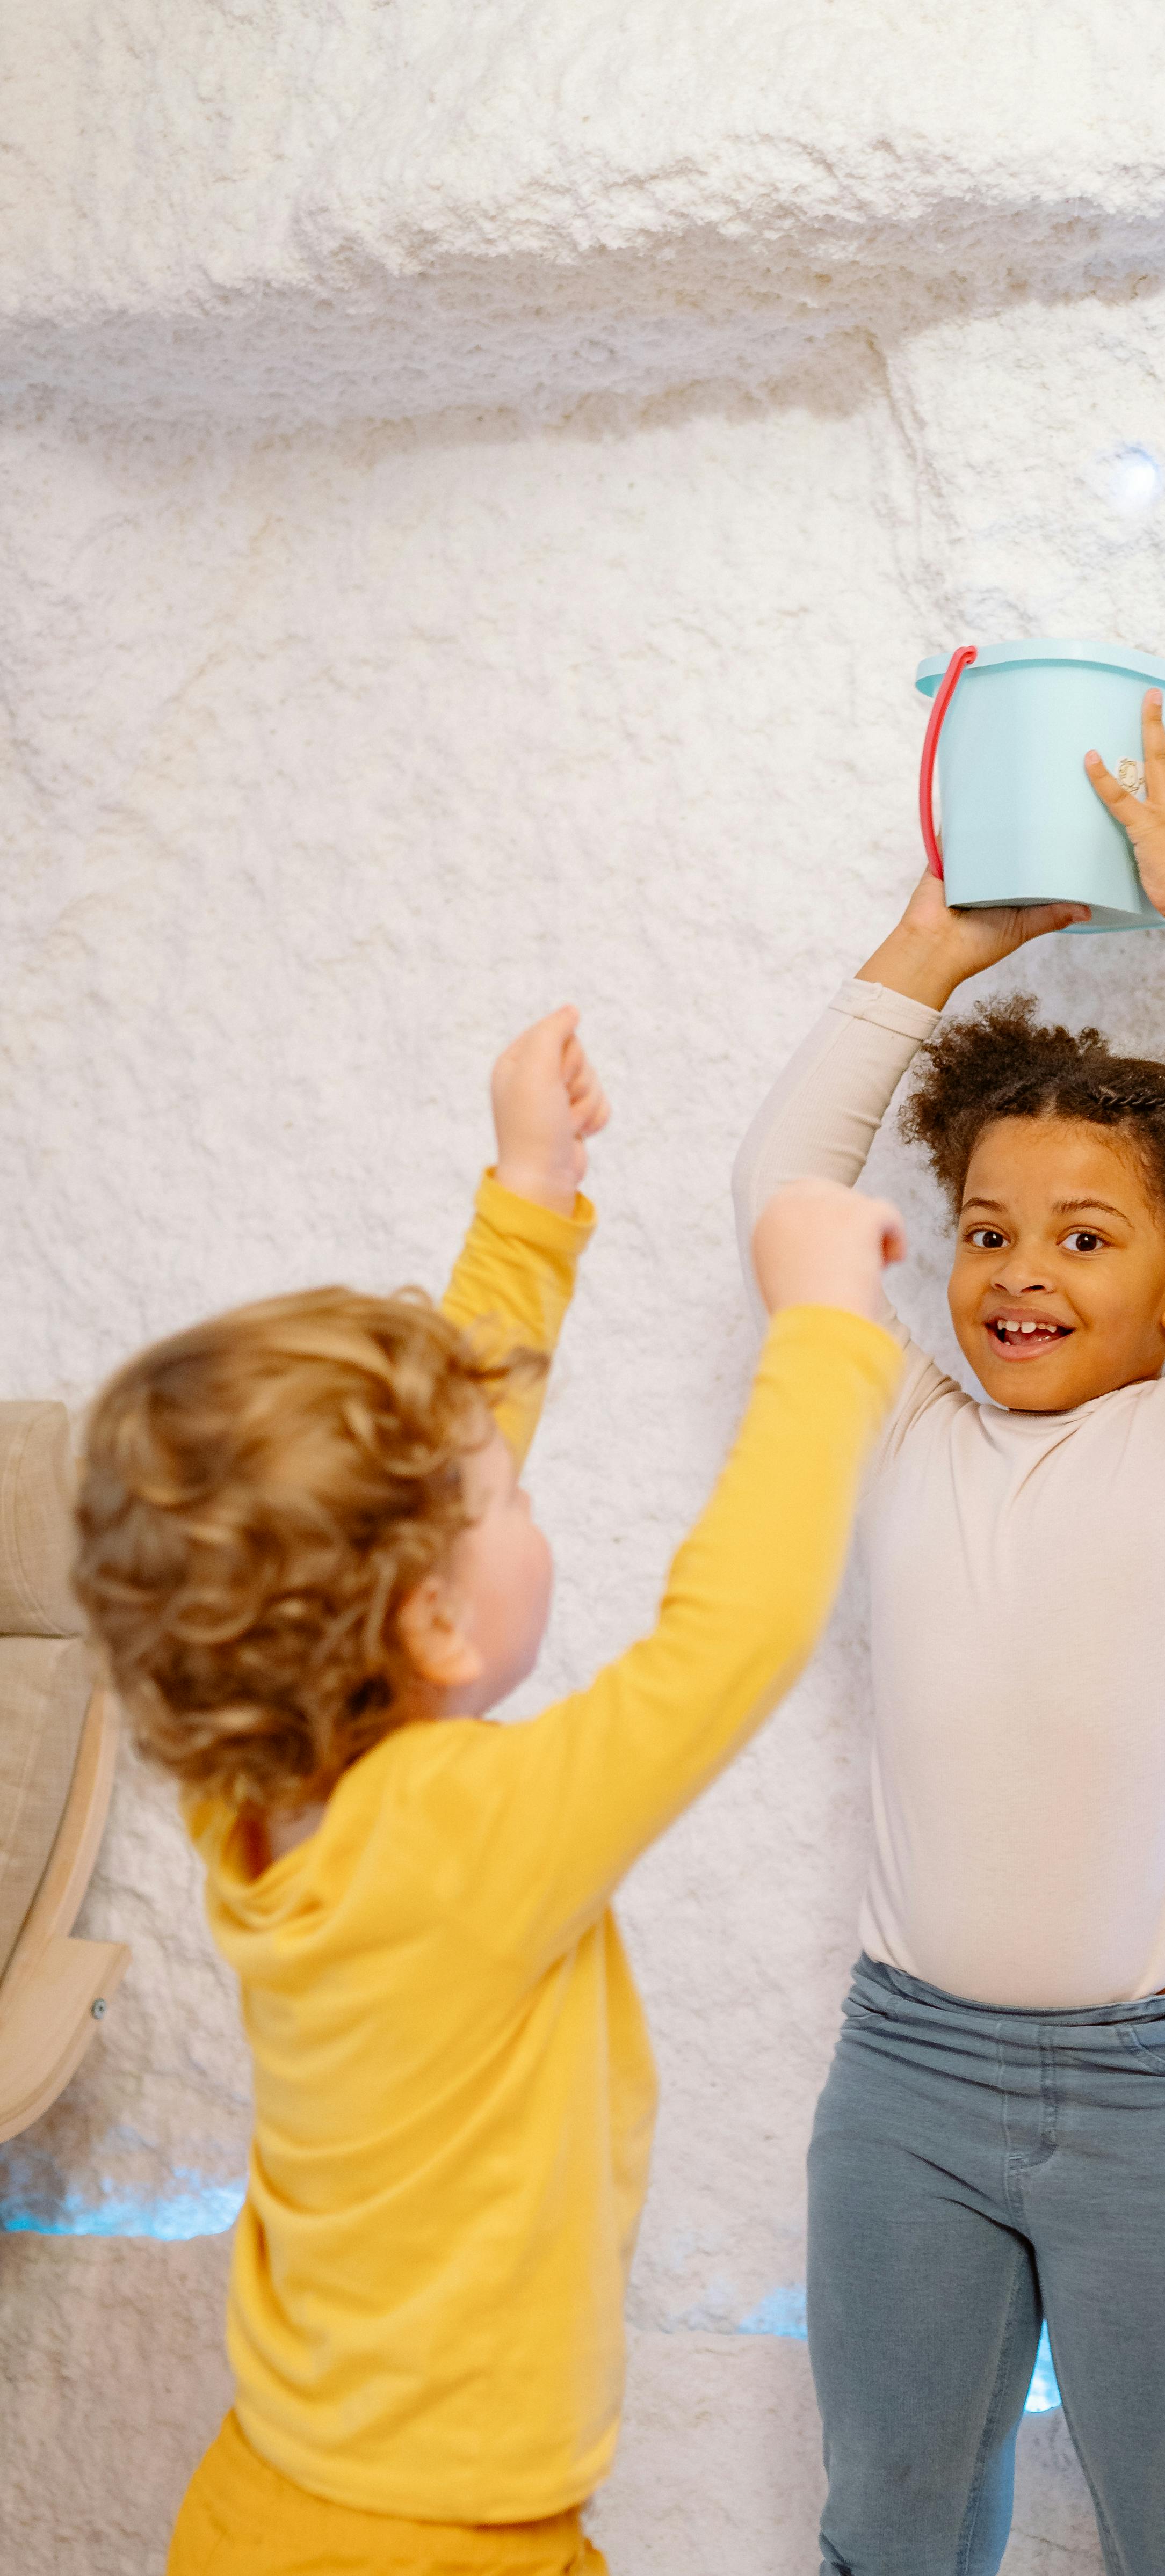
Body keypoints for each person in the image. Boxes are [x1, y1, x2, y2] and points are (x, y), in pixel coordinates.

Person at [74, 1003, 904, 2576]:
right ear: (435, 1622)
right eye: (506, 1497)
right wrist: (822, 1330)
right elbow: (725, 1645)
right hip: (441, 2549)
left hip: (269, 2500)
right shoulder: (465, 1835)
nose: (520, 1478)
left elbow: (422, 1457)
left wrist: (530, 1192)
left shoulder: (259, 1782)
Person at [732, 688, 1165, 2576]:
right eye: (991, 1231)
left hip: (1162, 2089)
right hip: (905, 2081)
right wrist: (930, 950)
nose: (1021, 1271)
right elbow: (782, 1202)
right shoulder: (894, 1430)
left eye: (1087, 1238)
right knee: (894, 2533)